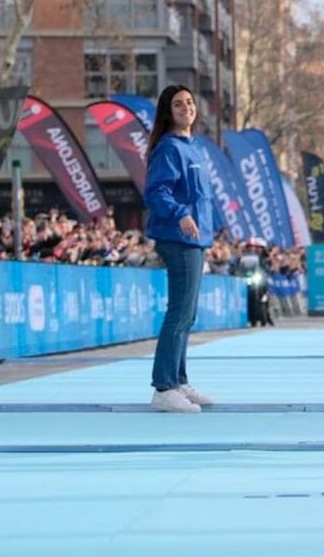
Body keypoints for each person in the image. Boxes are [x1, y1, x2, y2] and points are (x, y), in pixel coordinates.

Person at [142, 85, 218, 414]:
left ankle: (179, 379)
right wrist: (180, 214)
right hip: (179, 238)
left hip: (196, 239)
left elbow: (202, 197)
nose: (186, 107)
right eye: (178, 104)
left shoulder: (193, 147)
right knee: (178, 313)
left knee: (188, 315)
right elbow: (156, 191)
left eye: (189, 101)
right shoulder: (169, 148)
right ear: (167, 111)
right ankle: (163, 387)